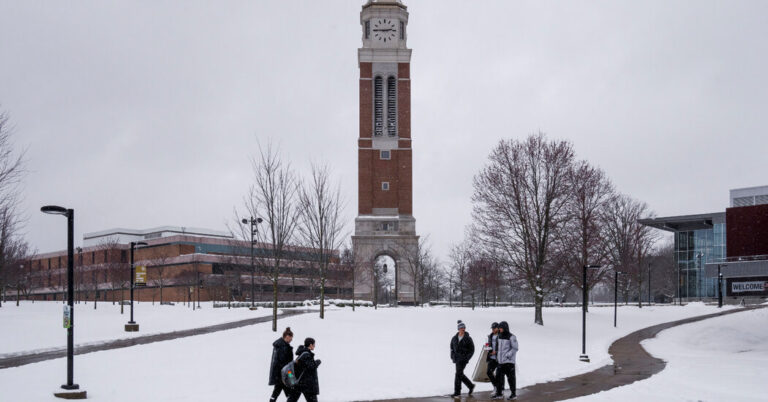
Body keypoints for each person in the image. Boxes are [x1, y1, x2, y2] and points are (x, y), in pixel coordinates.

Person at [287, 337, 321, 402]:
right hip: (306, 384)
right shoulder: (306, 355)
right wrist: (317, 362)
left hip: (298, 383)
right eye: (314, 344)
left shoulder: (302, 353)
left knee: (292, 400)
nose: (314, 346)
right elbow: (311, 367)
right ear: (310, 345)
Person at [450, 320, 475, 397]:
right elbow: (451, 348)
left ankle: (457, 392)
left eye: (464, 328)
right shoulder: (454, 338)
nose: (463, 329)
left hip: (463, 359)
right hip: (457, 359)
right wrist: (452, 356)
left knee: (458, 374)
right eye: (461, 328)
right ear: (458, 329)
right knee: (459, 374)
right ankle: (470, 385)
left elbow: (472, 349)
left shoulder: (468, 338)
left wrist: (467, 358)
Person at [494, 321, 518, 400]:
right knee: (498, 378)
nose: (499, 329)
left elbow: (515, 348)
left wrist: (508, 355)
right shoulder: (499, 336)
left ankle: (513, 394)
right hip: (500, 362)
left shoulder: (512, 337)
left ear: (504, 328)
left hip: (509, 362)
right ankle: (499, 393)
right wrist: (497, 356)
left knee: (511, 379)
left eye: (500, 328)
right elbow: (498, 348)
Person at [269, 327, 295, 402]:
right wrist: (290, 375)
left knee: (278, 391)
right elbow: (285, 364)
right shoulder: (283, 347)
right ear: (287, 337)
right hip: (283, 374)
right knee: (289, 393)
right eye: (291, 338)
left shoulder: (281, 345)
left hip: (280, 374)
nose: (291, 340)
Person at [486, 322, 503, 396]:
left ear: (497, 328)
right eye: (492, 328)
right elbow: (489, 345)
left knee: (500, 375)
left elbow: (502, 347)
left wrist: (495, 352)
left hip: (499, 358)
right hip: (491, 358)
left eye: (494, 328)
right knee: (489, 372)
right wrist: (487, 348)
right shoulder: (490, 335)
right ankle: (496, 387)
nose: (492, 329)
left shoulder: (501, 336)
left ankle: (500, 389)